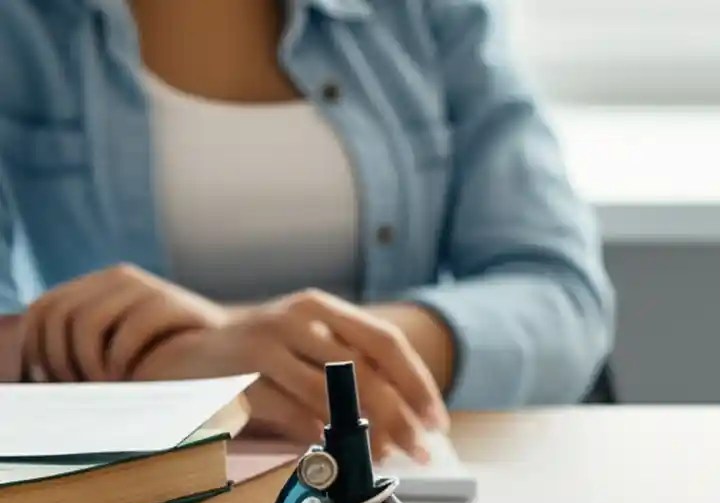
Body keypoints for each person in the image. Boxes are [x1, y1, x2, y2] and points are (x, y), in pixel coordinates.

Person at [0, 0, 615, 459]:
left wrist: (251, 350)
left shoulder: (431, 13)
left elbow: (561, 297)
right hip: (124, 502)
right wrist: (174, 371)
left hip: (402, 482)